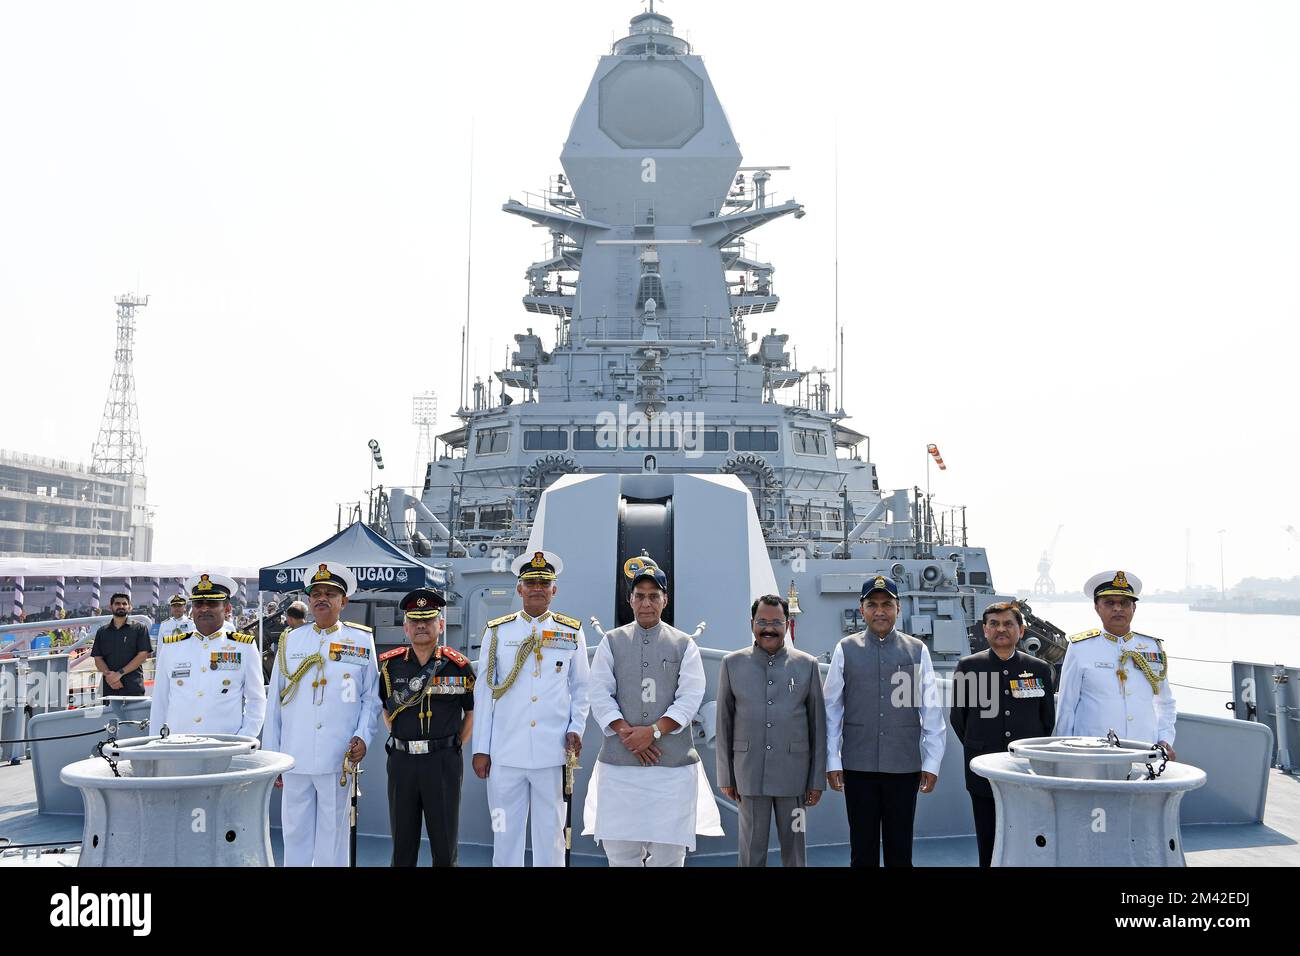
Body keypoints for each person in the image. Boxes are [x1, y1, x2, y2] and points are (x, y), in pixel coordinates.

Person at [584, 554, 720, 867]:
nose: (647, 603)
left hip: (671, 766)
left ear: (665, 600)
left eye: (654, 596)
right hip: (619, 764)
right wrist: (628, 734)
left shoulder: (684, 644)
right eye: (640, 596)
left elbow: (689, 697)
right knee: (620, 854)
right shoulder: (611, 643)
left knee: (670, 854)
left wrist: (653, 732)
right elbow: (599, 692)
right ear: (630, 600)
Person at [471, 550, 590, 867]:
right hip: (506, 753)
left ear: (554, 590)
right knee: (504, 834)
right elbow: (484, 693)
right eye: (530, 582)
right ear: (519, 589)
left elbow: (581, 688)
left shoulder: (572, 631)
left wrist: (575, 727)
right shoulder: (498, 631)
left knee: (550, 837)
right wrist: (481, 749)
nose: (537, 588)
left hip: (552, 754)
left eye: (544, 582)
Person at [263, 562, 382, 867]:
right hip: (295, 754)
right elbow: (274, 702)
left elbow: (371, 698)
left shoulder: (360, 640)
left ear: (344, 601)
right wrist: (271, 756)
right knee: (295, 833)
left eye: (330, 593)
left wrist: (363, 737)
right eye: (316, 593)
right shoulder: (291, 640)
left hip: (337, 754)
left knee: (334, 834)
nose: (322, 599)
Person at [823, 576, 946, 867]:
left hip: (903, 765)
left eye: (887, 604)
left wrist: (931, 762)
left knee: (900, 850)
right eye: (872, 605)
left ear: (898, 609)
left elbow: (931, 709)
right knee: (862, 849)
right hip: (858, 765)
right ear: (862, 609)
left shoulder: (917, 650)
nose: (880, 611)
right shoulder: (845, 648)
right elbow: (832, 708)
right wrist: (833, 760)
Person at [716, 594, 826, 867]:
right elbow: (724, 723)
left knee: (795, 853)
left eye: (776, 622)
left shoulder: (807, 665)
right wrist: (726, 776)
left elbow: (818, 726)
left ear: (787, 624)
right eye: (761, 621)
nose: (769, 628)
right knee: (751, 853)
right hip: (749, 776)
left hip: (795, 778)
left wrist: (816, 780)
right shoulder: (732, 664)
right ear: (751, 624)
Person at [949, 601, 1056, 867]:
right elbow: (959, 717)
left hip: (1024, 769)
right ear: (984, 630)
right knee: (988, 837)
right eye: (994, 624)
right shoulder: (969, 667)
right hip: (983, 767)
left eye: (1008, 624)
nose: (1001, 629)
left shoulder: (1040, 669)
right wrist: (980, 745)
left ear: (1020, 630)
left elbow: (1046, 721)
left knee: (1026, 836)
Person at [378, 587, 474, 867]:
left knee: (445, 847)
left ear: (440, 625)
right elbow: (386, 709)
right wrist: (403, 740)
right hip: (402, 761)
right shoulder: (389, 666)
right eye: (415, 620)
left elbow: (470, 712)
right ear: (406, 628)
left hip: (443, 761)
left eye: (429, 619)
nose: (422, 625)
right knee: (403, 847)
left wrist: (454, 746)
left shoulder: (459, 667)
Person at [1054, 570, 1176, 757]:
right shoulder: (1080, 648)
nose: (1118, 608)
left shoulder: (1152, 648)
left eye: (1124, 603)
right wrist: (1065, 751)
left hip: (1143, 749)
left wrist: (1165, 739)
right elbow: (1067, 706)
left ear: (1134, 608)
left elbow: (1165, 702)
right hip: (1092, 751)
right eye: (1110, 603)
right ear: (1097, 607)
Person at [148, 572, 266, 737]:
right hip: (178, 747)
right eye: (198, 604)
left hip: (225, 748)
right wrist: (155, 744)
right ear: (192, 609)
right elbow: (160, 702)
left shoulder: (243, 647)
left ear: (227, 608)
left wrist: (243, 740)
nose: (204, 608)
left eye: (211, 603)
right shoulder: (172, 647)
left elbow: (256, 700)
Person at [90, 593, 152, 699]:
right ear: (111, 607)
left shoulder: (139, 628)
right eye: (117, 603)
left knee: (134, 715)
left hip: (133, 687)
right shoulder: (102, 631)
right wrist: (110, 677)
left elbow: (142, 655)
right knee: (110, 716)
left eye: (124, 604)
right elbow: (98, 658)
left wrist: (119, 674)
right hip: (109, 687)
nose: (121, 606)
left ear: (130, 607)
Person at [264, 601, 306, 684]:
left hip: (281, 642)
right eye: (270, 609)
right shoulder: (267, 619)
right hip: (273, 642)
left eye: (272, 609)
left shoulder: (283, 618)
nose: (271, 611)